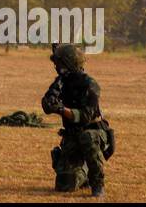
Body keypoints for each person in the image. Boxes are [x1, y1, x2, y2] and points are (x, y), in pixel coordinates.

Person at [40, 43, 112, 197]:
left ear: (70, 64)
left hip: (94, 134)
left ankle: (98, 185)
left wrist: (61, 109)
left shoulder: (90, 85)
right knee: (65, 184)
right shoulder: (61, 82)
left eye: (60, 64)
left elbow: (85, 117)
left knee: (87, 138)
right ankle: (84, 173)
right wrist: (49, 102)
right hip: (72, 136)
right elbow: (47, 104)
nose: (57, 67)